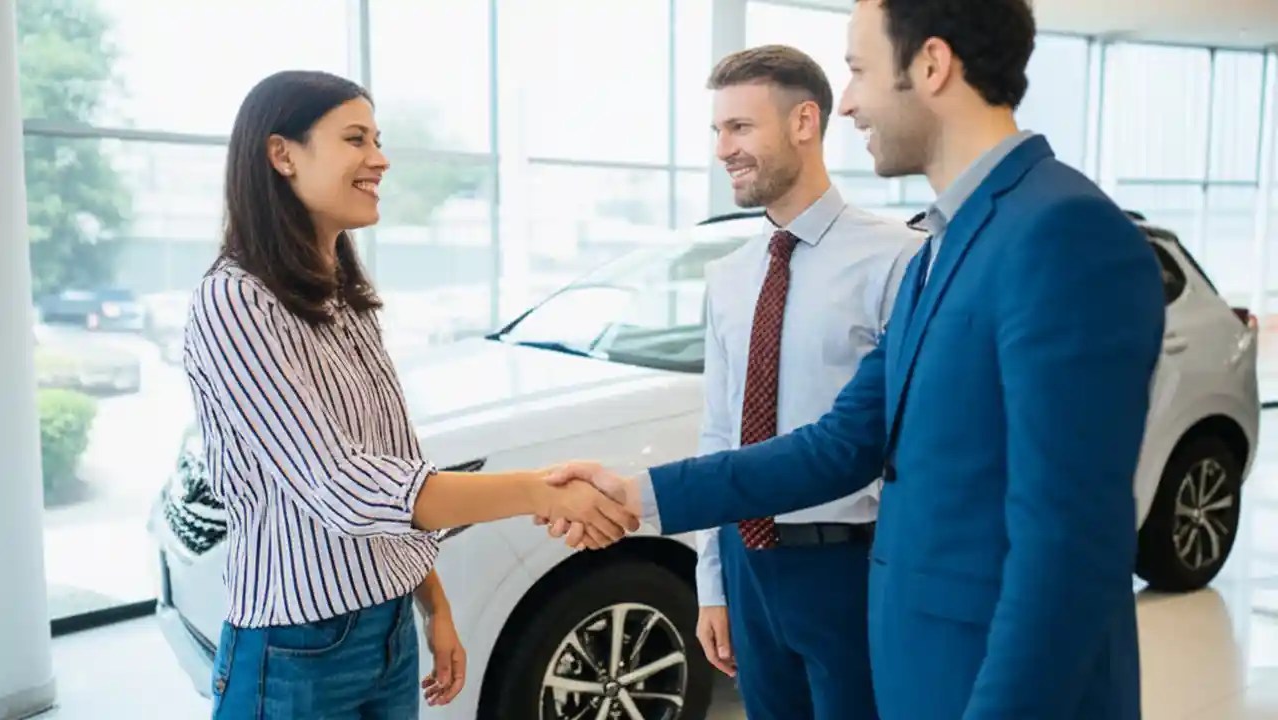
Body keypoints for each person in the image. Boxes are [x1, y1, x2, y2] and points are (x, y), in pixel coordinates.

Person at [540, 1, 1166, 718]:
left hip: (987, 686)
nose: (853, 104)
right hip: (920, 670)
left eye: (860, 71)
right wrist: (639, 494)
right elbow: (842, 444)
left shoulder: (1062, 231)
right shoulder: (944, 247)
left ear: (931, 64)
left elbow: (1069, 556)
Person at [186, 69, 635, 719]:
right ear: (282, 154)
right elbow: (344, 484)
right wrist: (541, 490)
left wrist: (435, 605)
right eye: (355, 138)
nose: (380, 158)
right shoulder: (236, 300)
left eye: (377, 137)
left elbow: (394, 465)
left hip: (388, 627)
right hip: (295, 652)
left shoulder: (341, 293)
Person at [692, 45, 920, 720]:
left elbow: (912, 436)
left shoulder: (897, 260)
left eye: (740, 128)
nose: (722, 149)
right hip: (747, 564)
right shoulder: (730, 275)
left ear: (804, 122)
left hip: (851, 567)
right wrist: (713, 581)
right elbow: (719, 431)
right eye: (717, 131)